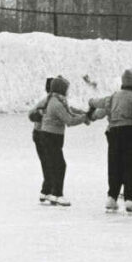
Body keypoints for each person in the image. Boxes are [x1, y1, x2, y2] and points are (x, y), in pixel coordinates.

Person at [88, 69, 132, 213]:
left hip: (114, 133)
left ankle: (112, 197)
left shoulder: (113, 96)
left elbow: (101, 109)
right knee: (129, 164)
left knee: (114, 164)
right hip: (130, 132)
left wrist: (91, 113)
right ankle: (129, 199)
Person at [40, 76, 89, 206]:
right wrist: (85, 118)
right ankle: (57, 194)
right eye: (66, 89)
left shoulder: (56, 100)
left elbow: (70, 112)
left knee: (54, 164)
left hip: (51, 135)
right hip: (51, 136)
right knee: (60, 165)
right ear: (60, 89)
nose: (67, 91)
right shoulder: (56, 103)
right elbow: (69, 120)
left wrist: (84, 116)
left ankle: (49, 192)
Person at [28, 77, 54, 204]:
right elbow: (31, 114)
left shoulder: (47, 101)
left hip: (39, 134)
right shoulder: (47, 101)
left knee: (47, 162)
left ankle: (46, 190)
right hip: (41, 135)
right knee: (49, 163)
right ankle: (47, 191)